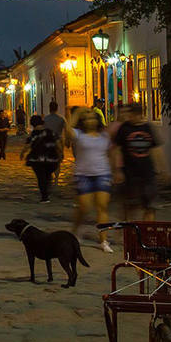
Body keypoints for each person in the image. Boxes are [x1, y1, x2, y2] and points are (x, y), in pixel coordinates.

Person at [66, 108, 114, 253]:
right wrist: (77, 112)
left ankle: (103, 240)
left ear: (97, 120)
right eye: (86, 118)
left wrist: (115, 171)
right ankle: (76, 230)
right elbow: (67, 129)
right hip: (83, 175)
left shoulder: (104, 136)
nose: (89, 121)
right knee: (84, 207)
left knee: (102, 207)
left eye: (92, 118)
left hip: (102, 173)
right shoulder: (79, 135)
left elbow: (111, 154)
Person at [112, 102, 165, 221]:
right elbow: (116, 150)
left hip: (148, 173)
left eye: (133, 114)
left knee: (149, 206)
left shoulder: (148, 128)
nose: (130, 117)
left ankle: (147, 232)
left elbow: (156, 149)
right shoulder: (124, 128)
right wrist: (117, 171)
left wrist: (163, 169)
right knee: (130, 207)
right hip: (129, 174)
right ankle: (130, 233)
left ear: (139, 114)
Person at [21, 114, 60, 203]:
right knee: (47, 175)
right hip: (51, 158)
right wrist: (60, 153)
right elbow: (58, 143)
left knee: (41, 177)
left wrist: (22, 153)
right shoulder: (50, 132)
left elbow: (27, 145)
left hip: (37, 159)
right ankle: (46, 191)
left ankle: (44, 196)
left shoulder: (34, 134)